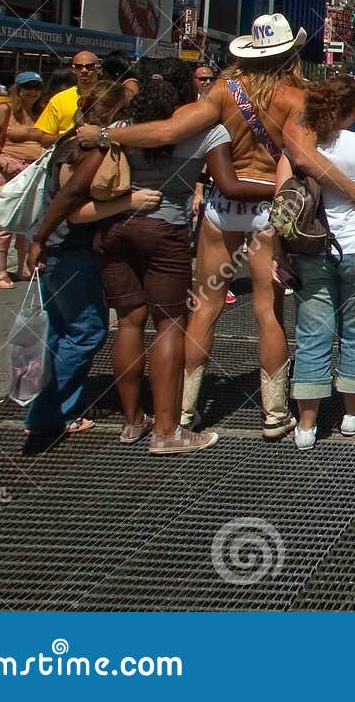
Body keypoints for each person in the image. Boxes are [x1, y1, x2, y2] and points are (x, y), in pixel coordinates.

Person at [76, 14, 355, 438]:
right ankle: (273, 413)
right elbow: (303, 158)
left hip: (222, 204)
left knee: (206, 305)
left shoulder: (222, 92)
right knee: (268, 311)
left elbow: (168, 132)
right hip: (271, 205)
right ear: (291, 55)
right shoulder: (296, 97)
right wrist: (353, 191)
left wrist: (108, 137)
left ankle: (186, 411)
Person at [96, 67, 268, 454]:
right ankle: (167, 430)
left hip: (117, 228)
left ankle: (130, 421)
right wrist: (285, 188)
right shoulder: (206, 132)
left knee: (127, 322)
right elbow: (228, 185)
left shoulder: (122, 129)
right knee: (170, 323)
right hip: (166, 231)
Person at [280, 78, 355, 450]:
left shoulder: (299, 145)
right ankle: (353, 414)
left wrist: (278, 250)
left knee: (312, 332)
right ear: (354, 110)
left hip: (312, 247)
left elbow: (282, 201)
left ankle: (306, 424)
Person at [21, 82, 140, 442]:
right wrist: (129, 202)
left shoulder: (69, 140)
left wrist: (39, 239)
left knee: (58, 331)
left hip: (55, 249)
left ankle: (49, 407)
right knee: (88, 331)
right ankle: (48, 414)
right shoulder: (86, 152)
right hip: (70, 251)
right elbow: (74, 205)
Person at [0, 72, 46, 288]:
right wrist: (3, 161)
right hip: (8, 172)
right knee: (3, 222)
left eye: (37, 86)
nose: (32, 91)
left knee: (29, 221)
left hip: (33, 172)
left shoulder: (43, 112)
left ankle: (23, 267)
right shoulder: (4, 110)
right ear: (17, 89)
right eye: (27, 86)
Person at [30, 50, 102, 142]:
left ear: (99, 69)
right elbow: (44, 138)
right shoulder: (58, 100)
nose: (84, 70)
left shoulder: (112, 96)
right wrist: (70, 138)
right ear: (73, 70)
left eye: (89, 66)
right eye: (79, 67)